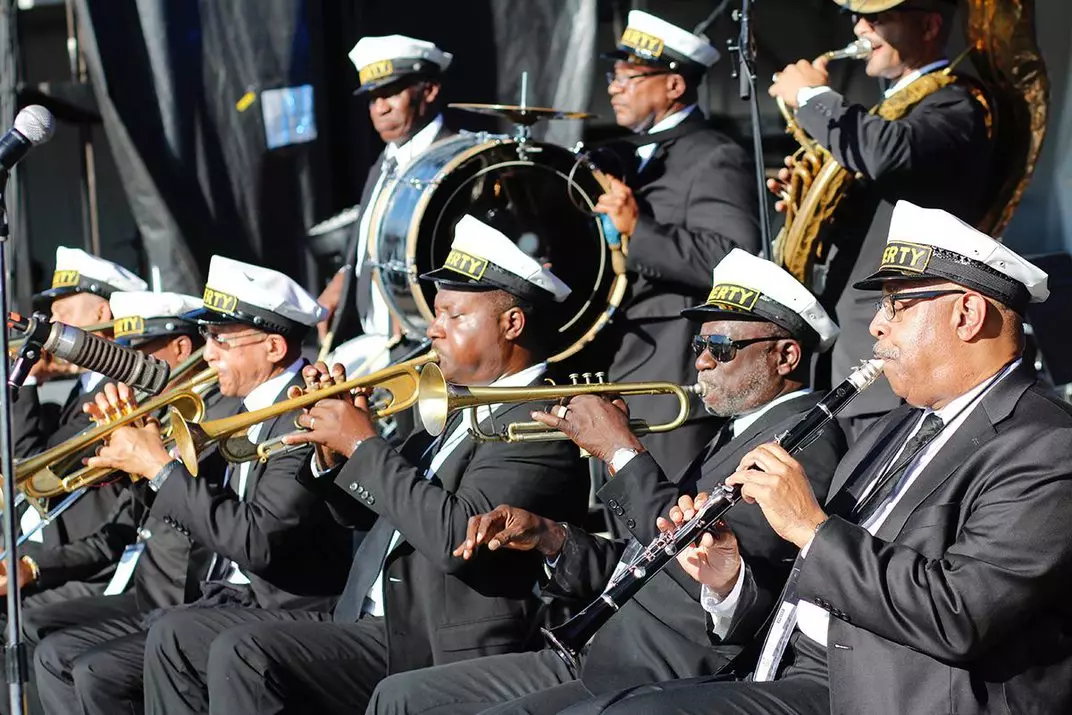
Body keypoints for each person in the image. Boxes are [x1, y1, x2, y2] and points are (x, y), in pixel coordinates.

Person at [576, 200, 1072, 715]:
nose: (877, 326)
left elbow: (958, 614)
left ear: (966, 314)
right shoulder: (890, 428)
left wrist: (810, 528)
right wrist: (729, 580)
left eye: (896, 306)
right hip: (785, 673)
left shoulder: (1047, 445)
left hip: (888, 694)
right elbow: (807, 595)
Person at [139, 215, 591, 715]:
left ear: (511, 323)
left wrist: (362, 445)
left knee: (245, 654)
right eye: (435, 314)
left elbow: (455, 539)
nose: (433, 329)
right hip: (370, 618)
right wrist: (331, 456)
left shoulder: (541, 421)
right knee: (194, 639)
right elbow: (369, 514)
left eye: (452, 315)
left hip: (438, 645)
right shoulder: (454, 404)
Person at [365, 249, 847, 715]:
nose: (700, 361)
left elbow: (703, 561)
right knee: (397, 697)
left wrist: (620, 452)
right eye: (699, 346)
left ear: (786, 356)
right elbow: (647, 560)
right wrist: (552, 539)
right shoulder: (736, 434)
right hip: (599, 647)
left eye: (721, 348)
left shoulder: (803, 443)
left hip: (658, 670)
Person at [32, 256, 352, 715]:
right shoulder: (242, 405)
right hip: (222, 596)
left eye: (221, 339)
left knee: (156, 644)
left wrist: (159, 467)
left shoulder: (306, 410)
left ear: (274, 347)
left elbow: (255, 540)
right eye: (207, 337)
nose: (210, 353)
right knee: (69, 659)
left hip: (283, 606)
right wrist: (138, 471)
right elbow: (195, 510)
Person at [767, 0, 992, 437]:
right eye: (858, 17)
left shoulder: (958, 102)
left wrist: (812, 97)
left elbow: (888, 152)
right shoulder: (883, 113)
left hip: (897, 358)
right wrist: (808, 195)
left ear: (928, 24)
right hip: (849, 350)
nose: (860, 27)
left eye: (878, 18)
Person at [597, 10, 761, 478]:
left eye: (629, 77)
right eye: (614, 76)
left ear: (673, 86)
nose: (614, 87)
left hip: (669, 368)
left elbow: (732, 258)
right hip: (622, 360)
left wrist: (638, 229)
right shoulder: (633, 154)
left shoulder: (714, 154)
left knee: (666, 524)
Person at [10, 291, 210, 609]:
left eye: (139, 352)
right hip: (118, 563)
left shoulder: (125, 397)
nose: (131, 365)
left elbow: (36, 462)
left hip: (131, 573)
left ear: (182, 348)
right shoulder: (121, 400)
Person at [318, 34, 455, 373]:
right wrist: (344, 278)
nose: (380, 108)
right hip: (376, 340)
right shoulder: (386, 161)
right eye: (373, 98)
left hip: (426, 346)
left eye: (391, 93)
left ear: (429, 90)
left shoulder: (455, 161)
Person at [11, 247, 147, 577]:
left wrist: (26, 379)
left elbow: (31, 466)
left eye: (66, 315)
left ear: (103, 314)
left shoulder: (115, 391)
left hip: (85, 562)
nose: (54, 329)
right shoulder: (83, 385)